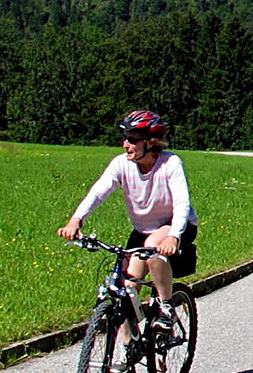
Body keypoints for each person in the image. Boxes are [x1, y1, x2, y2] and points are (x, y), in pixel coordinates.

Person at [57, 110, 199, 331]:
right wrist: (76, 220)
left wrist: (173, 236)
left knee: (153, 248)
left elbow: (182, 203)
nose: (125, 145)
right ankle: (127, 352)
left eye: (132, 140)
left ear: (150, 142)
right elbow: (98, 192)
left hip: (177, 227)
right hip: (142, 230)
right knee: (125, 290)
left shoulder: (170, 163)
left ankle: (167, 307)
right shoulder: (121, 164)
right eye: (124, 139)